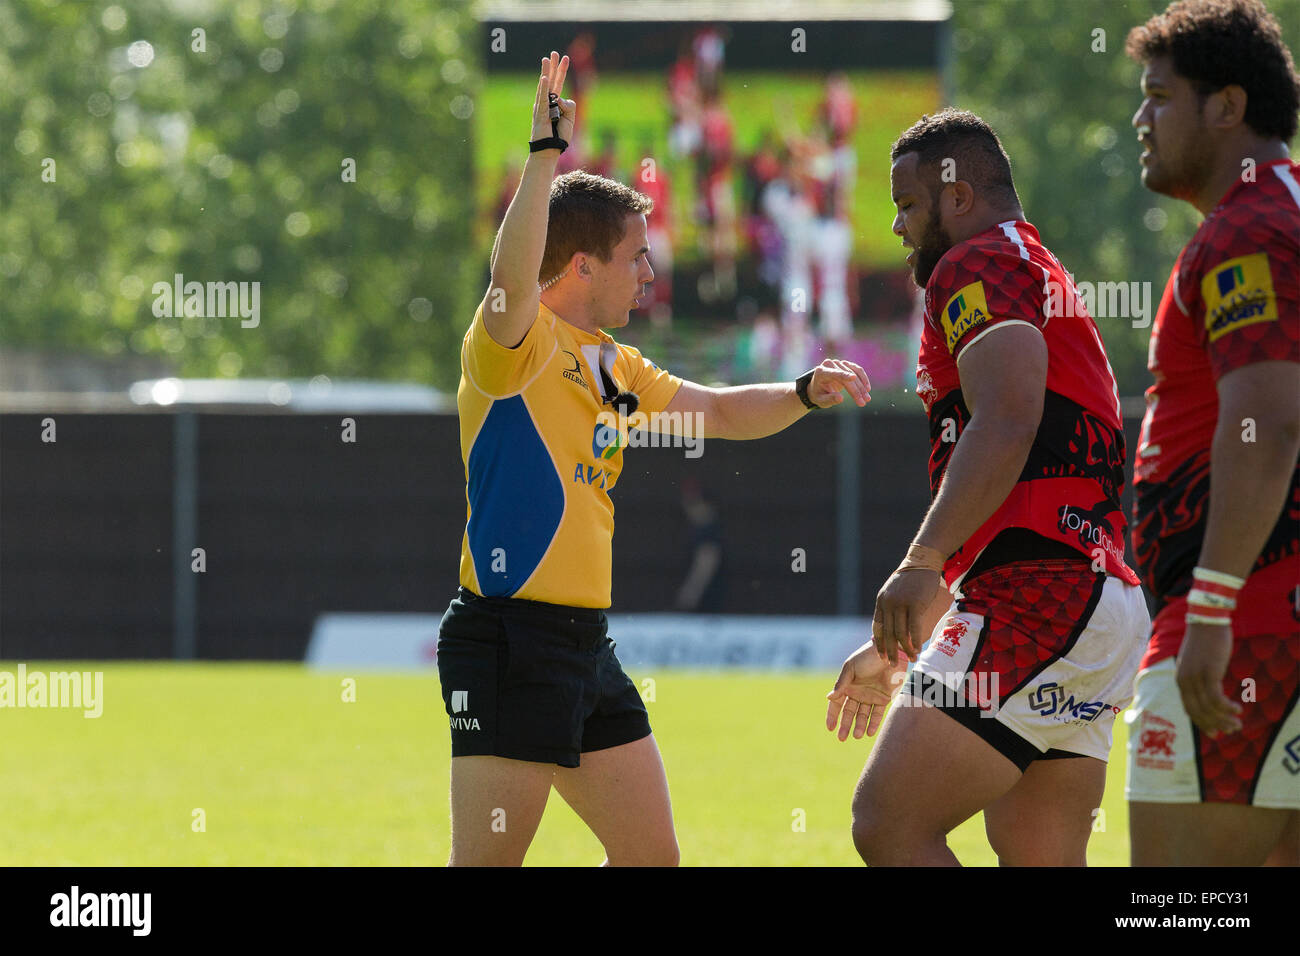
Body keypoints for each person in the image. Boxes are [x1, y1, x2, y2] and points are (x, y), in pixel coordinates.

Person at [439, 52, 871, 867]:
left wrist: (804, 390)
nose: (649, 270)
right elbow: (508, 280)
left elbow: (718, 412)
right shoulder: (516, 345)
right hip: (507, 640)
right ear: (581, 266)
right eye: (636, 255)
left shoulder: (613, 364)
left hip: (581, 643)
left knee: (653, 861)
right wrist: (542, 157)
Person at [825, 109, 1149, 866]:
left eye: (908, 205)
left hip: (1040, 596)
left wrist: (919, 560)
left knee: (890, 823)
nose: (900, 226)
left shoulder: (972, 264)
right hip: (1092, 597)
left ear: (959, 196)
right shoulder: (1035, 265)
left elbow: (1005, 420)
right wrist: (899, 643)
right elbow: (1023, 490)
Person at [1124, 0, 1299, 866]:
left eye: (1158, 97)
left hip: (1249, 624)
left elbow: (1267, 420)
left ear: (1226, 107)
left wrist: (1215, 604)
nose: (1140, 120)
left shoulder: (1250, 228)